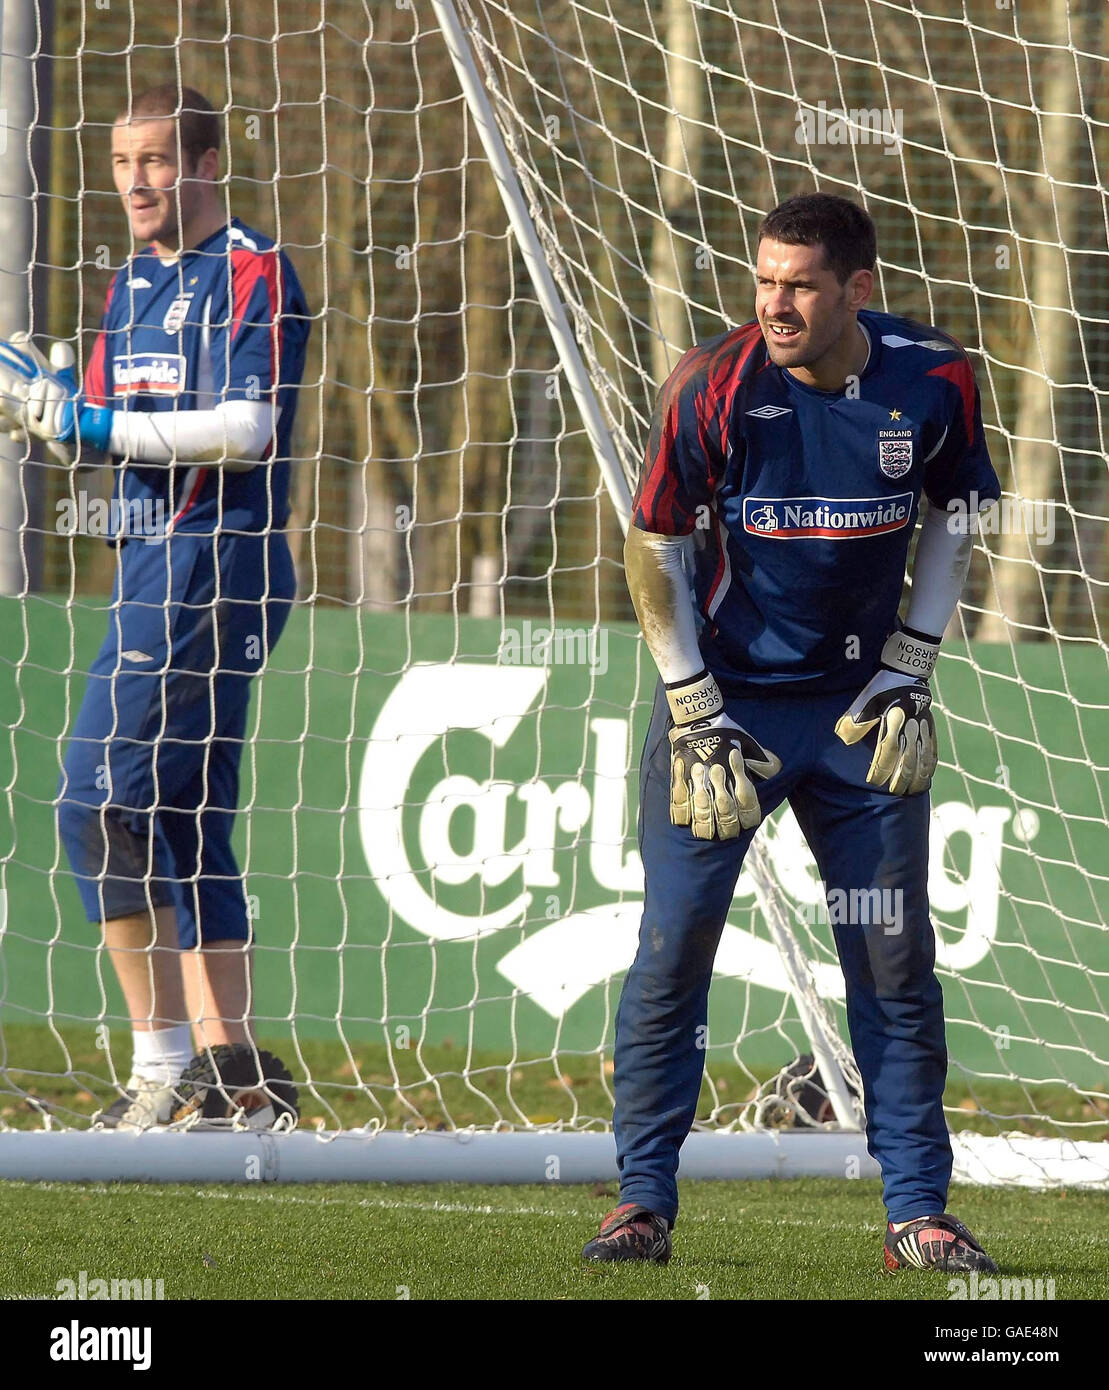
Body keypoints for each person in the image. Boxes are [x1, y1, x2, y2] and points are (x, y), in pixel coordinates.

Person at [582, 193, 1001, 1273]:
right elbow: (654, 545)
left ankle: (917, 1213)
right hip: (724, 717)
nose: (772, 303)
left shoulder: (935, 378)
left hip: (861, 719)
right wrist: (689, 703)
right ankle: (639, 1203)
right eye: (763, 279)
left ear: (856, 288)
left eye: (799, 284)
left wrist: (913, 660)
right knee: (673, 951)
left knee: (891, 956)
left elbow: (956, 511)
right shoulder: (710, 385)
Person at [0, 84, 310, 1129]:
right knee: (181, 819)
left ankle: (161, 1064)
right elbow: (95, 415)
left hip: (213, 559)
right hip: (148, 560)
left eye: (157, 160)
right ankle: (235, 1080)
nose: (135, 182)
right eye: (122, 161)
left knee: (92, 798)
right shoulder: (127, 284)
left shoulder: (253, 268)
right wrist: (44, 415)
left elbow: (247, 427)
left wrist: (86, 425)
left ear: (208, 165)